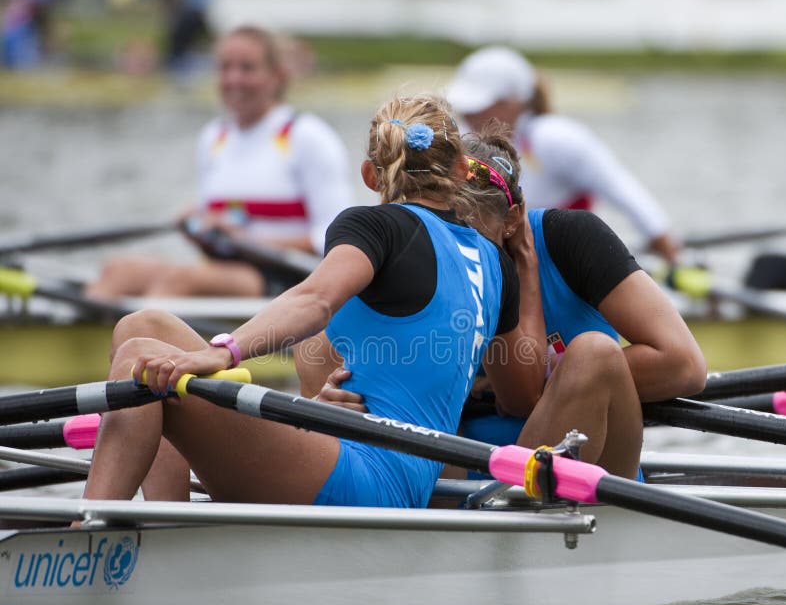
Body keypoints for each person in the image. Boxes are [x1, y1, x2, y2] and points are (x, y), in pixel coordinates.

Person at [79, 94, 543, 508]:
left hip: (367, 479)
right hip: (400, 470)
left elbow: (315, 300)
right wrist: (527, 263)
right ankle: (168, 528)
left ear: (369, 174)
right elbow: (519, 395)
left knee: (140, 357)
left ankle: (89, 535)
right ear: (462, 170)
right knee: (143, 328)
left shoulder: (374, 227)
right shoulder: (496, 263)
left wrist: (220, 351)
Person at [310, 125, 707, 480]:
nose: (453, 246)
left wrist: (555, 382)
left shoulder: (570, 238)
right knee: (315, 343)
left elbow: (683, 364)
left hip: (585, 463)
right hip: (463, 464)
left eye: (467, 230)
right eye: (439, 226)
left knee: (594, 354)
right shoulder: (413, 252)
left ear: (512, 220)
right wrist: (329, 405)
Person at [86, 25, 353, 299]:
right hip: (228, 272)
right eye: (225, 68)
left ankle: (145, 337)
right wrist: (198, 231)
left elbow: (336, 241)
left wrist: (247, 243)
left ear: (277, 75)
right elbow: (218, 239)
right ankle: (102, 336)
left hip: (291, 282)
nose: (234, 79)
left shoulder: (307, 136)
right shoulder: (215, 138)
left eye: (247, 68)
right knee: (118, 268)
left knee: (181, 279)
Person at [445, 46, 681, 263]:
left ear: (514, 101)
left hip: (562, 264)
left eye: (478, 106)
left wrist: (673, 258)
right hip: (504, 260)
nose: (469, 115)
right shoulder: (464, 140)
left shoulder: (556, 138)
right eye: (466, 107)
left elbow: (626, 194)